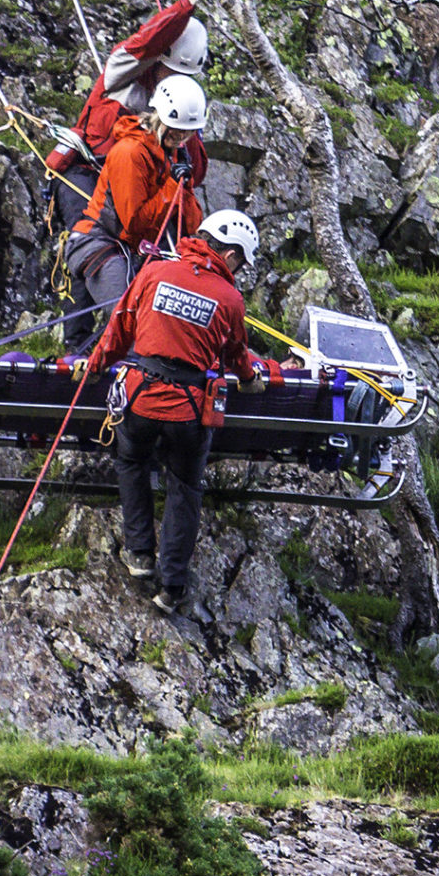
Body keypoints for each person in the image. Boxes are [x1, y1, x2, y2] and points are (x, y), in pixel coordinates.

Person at [86, 208, 270, 614]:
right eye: (240, 260)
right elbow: (237, 357)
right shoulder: (229, 298)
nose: (239, 268)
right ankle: (171, 588)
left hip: (140, 397)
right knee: (184, 489)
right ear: (232, 252)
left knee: (131, 460)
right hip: (188, 410)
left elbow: (118, 329)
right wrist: (251, 379)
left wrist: (95, 365)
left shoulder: (153, 273)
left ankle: (138, 554)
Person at [47, 0, 217, 230]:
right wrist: (190, 1)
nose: (177, 80)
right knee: (90, 240)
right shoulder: (122, 72)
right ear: (158, 60)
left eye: (185, 76)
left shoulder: (183, 100)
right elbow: (146, 41)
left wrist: (184, 130)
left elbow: (196, 172)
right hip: (88, 173)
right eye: (173, 72)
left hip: (136, 193)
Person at [63, 74, 206, 352]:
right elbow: (133, 224)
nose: (181, 138)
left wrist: (183, 189)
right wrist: (170, 188)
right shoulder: (130, 152)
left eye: (187, 133)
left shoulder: (173, 154)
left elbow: (191, 223)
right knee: (130, 323)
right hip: (100, 242)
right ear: (159, 118)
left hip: (135, 250)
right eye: (176, 130)